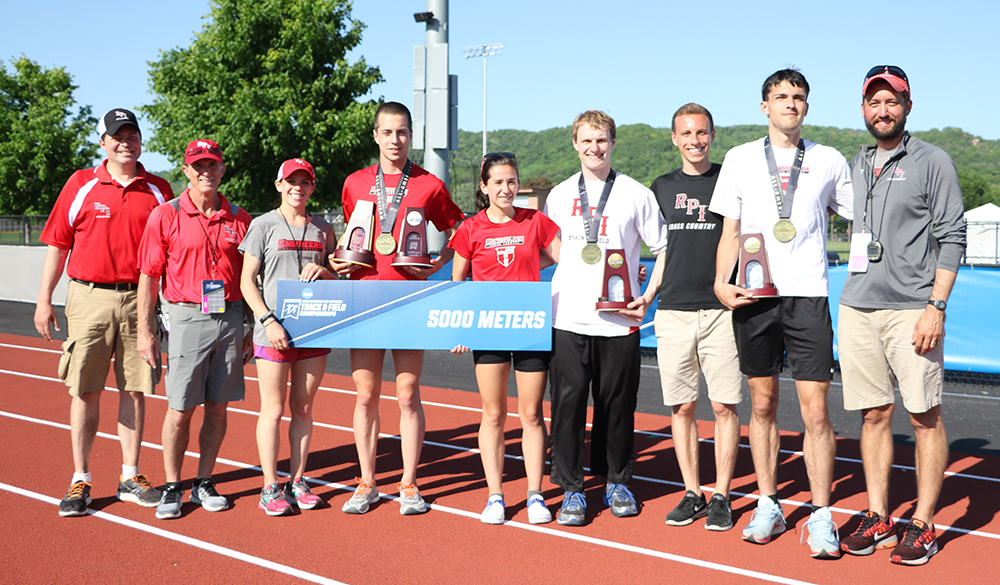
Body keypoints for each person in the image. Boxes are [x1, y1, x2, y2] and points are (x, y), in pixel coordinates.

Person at [710, 68, 853, 558]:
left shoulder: (829, 159)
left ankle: (821, 513)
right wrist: (720, 281)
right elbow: (730, 232)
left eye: (798, 97)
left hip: (808, 296)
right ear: (764, 106)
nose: (790, 103)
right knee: (762, 404)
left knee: (816, 411)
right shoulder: (739, 158)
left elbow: (859, 216)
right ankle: (768, 502)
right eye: (781, 96)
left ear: (806, 107)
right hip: (756, 296)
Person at [837, 66, 966, 566]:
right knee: (873, 414)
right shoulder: (854, 164)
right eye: (874, 102)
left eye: (892, 101)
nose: (883, 110)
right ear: (863, 109)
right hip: (857, 305)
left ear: (908, 107)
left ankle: (925, 523)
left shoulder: (933, 161)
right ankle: (878, 515)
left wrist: (936, 307)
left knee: (923, 416)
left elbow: (953, 236)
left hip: (913, 307)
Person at [35, 108, 173, 517]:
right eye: (118, 137)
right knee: (85, 389)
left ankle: (130, 474)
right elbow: (58, 244)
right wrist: (44, 299)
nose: (125, 143)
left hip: (139, 300)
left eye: (132, 136)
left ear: (140, 142)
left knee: (135, 388)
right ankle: (81, 477)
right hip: (88, 297)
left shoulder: (159, 189)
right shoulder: (81, 183)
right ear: (103, 142)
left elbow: (172, 249)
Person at [332, 102, 464, 515]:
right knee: (365, 396)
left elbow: (460, 232)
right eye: (387, 132)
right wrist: (342, 258)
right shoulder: (355, 182)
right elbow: (351, 233)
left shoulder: (429, 184)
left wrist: (438, 265)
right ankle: (367, 482)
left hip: (408, 299)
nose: (395, 140)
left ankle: (409, 483)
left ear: (411, 136)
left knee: (407, 395)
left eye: (402, 132)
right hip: (365, 299)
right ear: (376, 136)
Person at [544, 110, 666, 526]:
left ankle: (617, 481)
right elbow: (550, 250)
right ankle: (572, 489)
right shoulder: (558, 195)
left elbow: (663, 247)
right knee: (568, 407)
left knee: (617, 406)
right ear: (575, 144)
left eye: (601, 140)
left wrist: (647, 294)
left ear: (613, 143)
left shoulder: (636, 193)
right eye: (587, 140)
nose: (594, 148)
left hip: (619, 319)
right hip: (567, 318)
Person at [637, 103, 741, 531]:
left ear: (712, 136)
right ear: (674, 139)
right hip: (674, 311)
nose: (695, 141)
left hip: (721, 311)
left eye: (702, 133)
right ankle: (692, 492)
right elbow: (662, 251)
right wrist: (648, 295)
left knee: (724, 406)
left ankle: (722, 495)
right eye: (686, 133)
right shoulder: (661, 187)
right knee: (681, 407)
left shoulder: (729, 180)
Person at [137, 139, 253, 520]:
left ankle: (204, 481)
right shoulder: (165, 215)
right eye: (198, 166)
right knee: (181, 408)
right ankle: (173, 484)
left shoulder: (240, 218)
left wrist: (251, 325)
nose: (206, 172)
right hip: (186, 316)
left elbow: (253, 277)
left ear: (222, 169)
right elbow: (148, 276)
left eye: (212, 165)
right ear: (186, 170)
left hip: (230, 317)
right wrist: (145, 330)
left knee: (218, 407)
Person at [448, 153, 561, 525]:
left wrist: (625, 267)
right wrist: (462, 328)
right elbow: (458, 284)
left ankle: (535, 495)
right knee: (493, 414)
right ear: (484, 186)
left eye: (511, 181)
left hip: (529, 326)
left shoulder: (536, 221)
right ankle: (495, 496)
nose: (506, 189)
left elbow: (567, 259)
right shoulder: (470, 228)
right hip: (488, 328)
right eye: (497, 182)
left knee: (531, 414)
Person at [239, 158, 337, 516]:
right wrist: (268, 321)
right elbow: (246, 281)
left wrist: (323, 271)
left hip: (313, 332)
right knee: (273, 409)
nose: (298, 187)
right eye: (291, 181)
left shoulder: (323, 229)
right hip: (274, 332)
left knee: (304, 408)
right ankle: (269, 486)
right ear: (279, 185)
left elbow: (337, 281)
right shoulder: (263, 225)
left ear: (312, 187)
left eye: (304, 182)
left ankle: (297, 480)